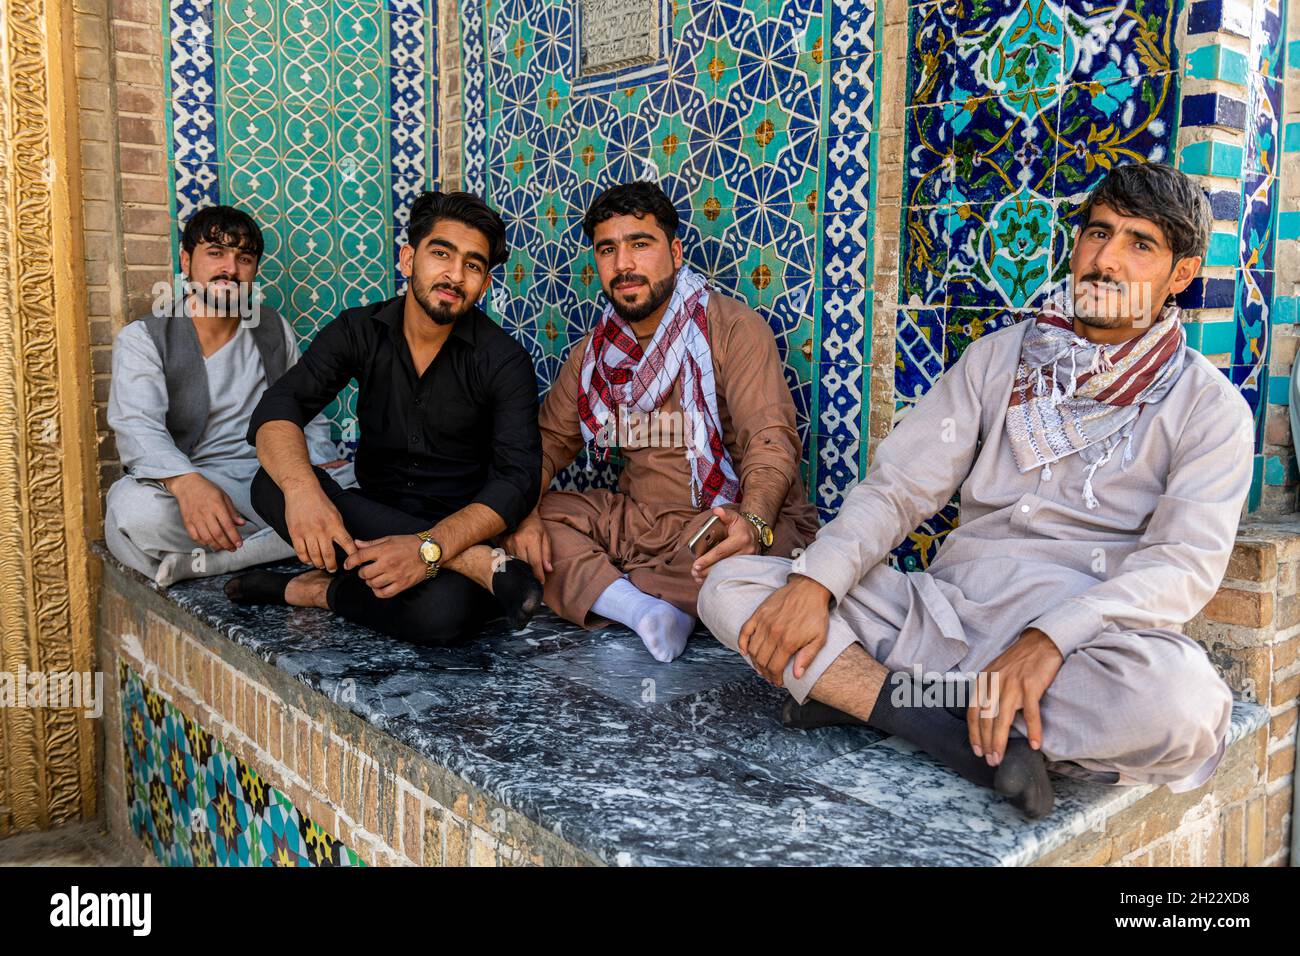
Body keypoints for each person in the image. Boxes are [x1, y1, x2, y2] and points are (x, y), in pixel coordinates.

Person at [699, 162, 1254, 818]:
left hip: (1074, 652)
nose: (1106, 260)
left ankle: (869, 698)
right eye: (1097, 234)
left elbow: (1181, 567)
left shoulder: (1207, 408)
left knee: (1183, 707)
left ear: (1180, 275)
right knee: (730, 589)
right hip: (947, 620)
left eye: (1140, 244)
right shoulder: (999, 359)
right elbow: (900, 487)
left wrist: (1048, 639)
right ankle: (965, 741)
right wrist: (815, 585)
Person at [504, 181, 820, 662]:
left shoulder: (732, 328)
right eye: (607, 250)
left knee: (742, 571)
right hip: (640, 521)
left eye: (640, 244)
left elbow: (770, 440)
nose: (623, 264)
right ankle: (642, 608)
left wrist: (752, 522)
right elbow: (546, 444)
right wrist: (523, 516)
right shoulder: (593, 356)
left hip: (721, 520)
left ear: (674, 252)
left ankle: (627, 591)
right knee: (522, 519)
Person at [224, 191, 545, 646]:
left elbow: (516, 480)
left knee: (444, 615)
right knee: (270, 483)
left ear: (485, 284)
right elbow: (280, 407)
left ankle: (318, 592)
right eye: (441, 254)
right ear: (408, 259)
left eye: (473, 265)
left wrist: (429, 549)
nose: (455, 275)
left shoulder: (504, 360)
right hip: (374, 519)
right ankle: (474, 563)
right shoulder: (360, 328)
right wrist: (302, 492)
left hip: (454, 524)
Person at [104, 205, 351, 585]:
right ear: (187, 261)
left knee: (361, 480)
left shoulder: (272, 327)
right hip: (193, 483)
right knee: (132, 513)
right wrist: (185, 483)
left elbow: (305, 407)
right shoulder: (145, 338)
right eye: (216, 253)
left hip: (268, 481)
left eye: (244, 258)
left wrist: (317, 462)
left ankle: (217, 560)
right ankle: (278, 543)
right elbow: (138, 428)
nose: (230, 270)